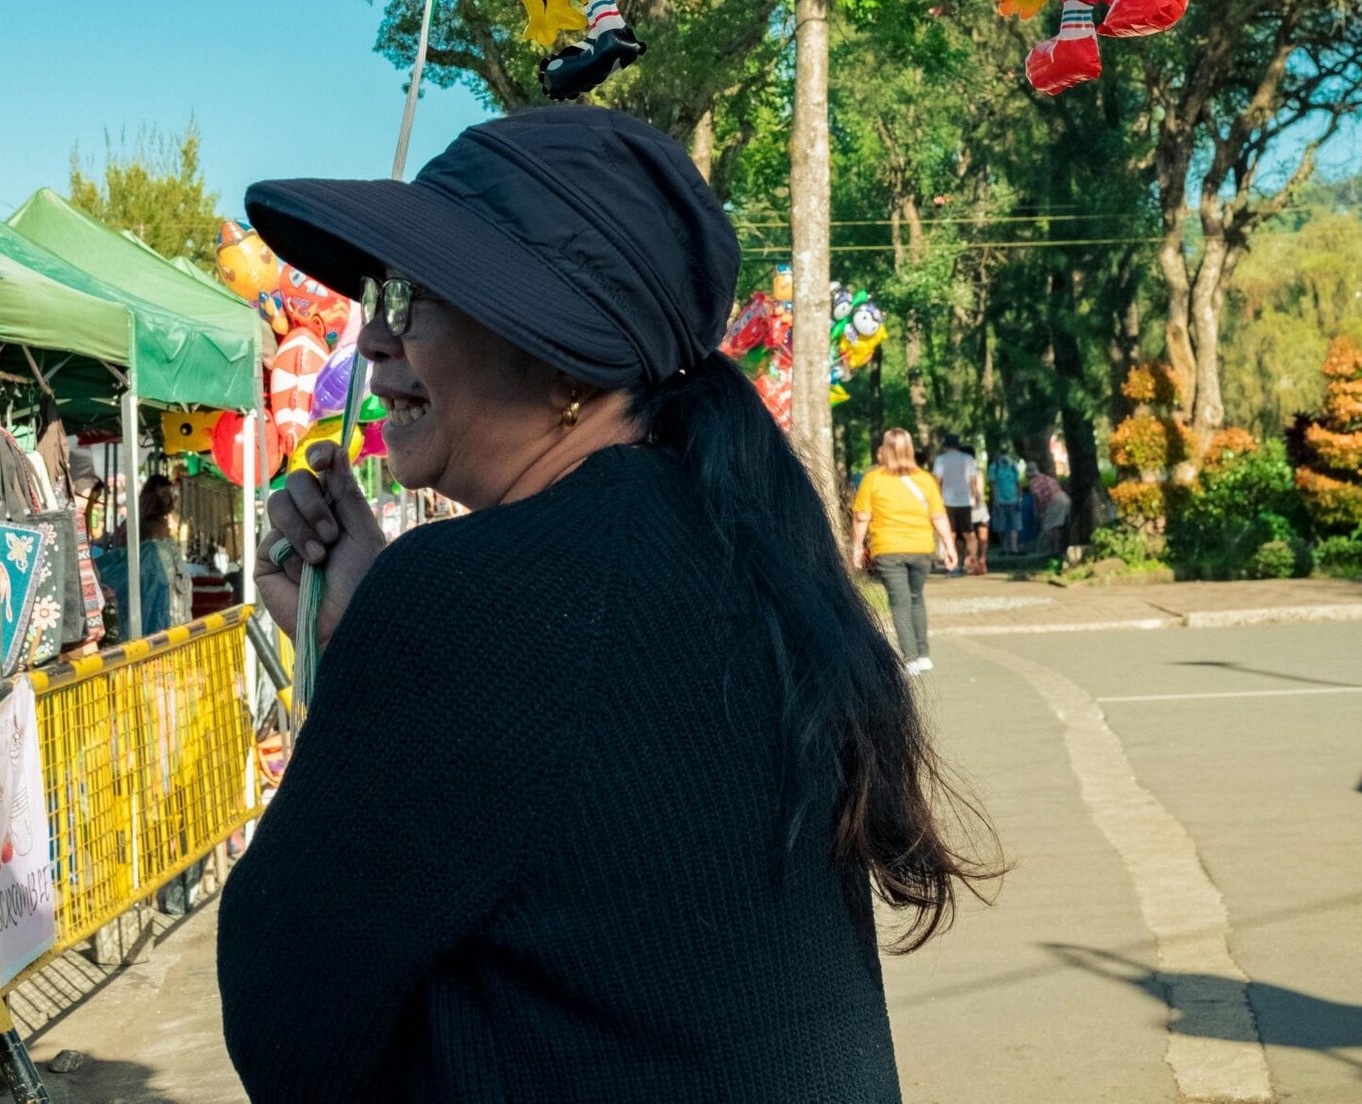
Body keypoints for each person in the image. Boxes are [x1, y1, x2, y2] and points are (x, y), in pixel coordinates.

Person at [219, 108, 990, 1104]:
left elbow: (288, 1024)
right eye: (377, 295)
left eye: (412, 296)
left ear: (556, 346)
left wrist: (388, 641)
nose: (372, 338)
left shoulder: (473, 600)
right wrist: (370, 640)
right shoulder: (735, 545)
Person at [850, 431, 957, 673]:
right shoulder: (925, 480)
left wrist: (856, 547)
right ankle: (923, 653)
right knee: (916, 598)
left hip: (887, 548)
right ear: (910, 449)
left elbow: (862, 516)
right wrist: (949, 547)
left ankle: (909, 658)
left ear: (885, 449)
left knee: (899, 602)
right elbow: (938, 516)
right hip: (921, 548)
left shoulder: (873, 479)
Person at [100, 474, 192, 636]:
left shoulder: (158, 525)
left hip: (166, 596)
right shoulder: (140, 526)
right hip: (147, 595)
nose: (169, 500)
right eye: (163, 495)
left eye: (170, 494)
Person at [929, 436, 978, 575]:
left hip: (947, 501)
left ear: (945, 446)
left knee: (951, 534)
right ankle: (972, 562)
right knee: (969, 534)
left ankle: (952, 564)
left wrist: (935, 500)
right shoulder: (967, 459)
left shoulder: (941, 460)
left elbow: (937, 481)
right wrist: (974, 497)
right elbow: (972, 480)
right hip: (965, 500)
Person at [989, 450, 1022, 557]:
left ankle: (1014, 548)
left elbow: (1018, 483)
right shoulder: (994, 467)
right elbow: (993, 485)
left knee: (1015, 525)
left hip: (1014, 500)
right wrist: (995, 500)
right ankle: (1003, 548)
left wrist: (1019, 498)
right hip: (1000, 501)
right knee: (1000, 526)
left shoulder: (1013, 467)